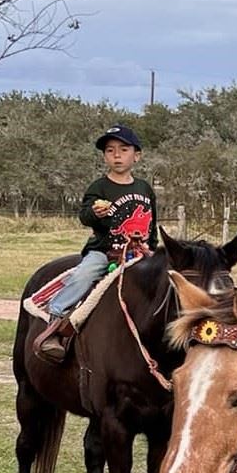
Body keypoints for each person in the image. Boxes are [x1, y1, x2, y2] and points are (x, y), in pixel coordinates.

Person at [35, 124, 159, 362]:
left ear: (137, 155)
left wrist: (152, 248)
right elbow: (84, 216)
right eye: (110, 150)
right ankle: (54, 321)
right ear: (105, 156)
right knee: (84, 275)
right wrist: (96, 213)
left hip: (140, 252)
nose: (117, 155)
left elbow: (151, 221)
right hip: (106, 252)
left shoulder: (144, 188)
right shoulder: (99, 187)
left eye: (123, 149)